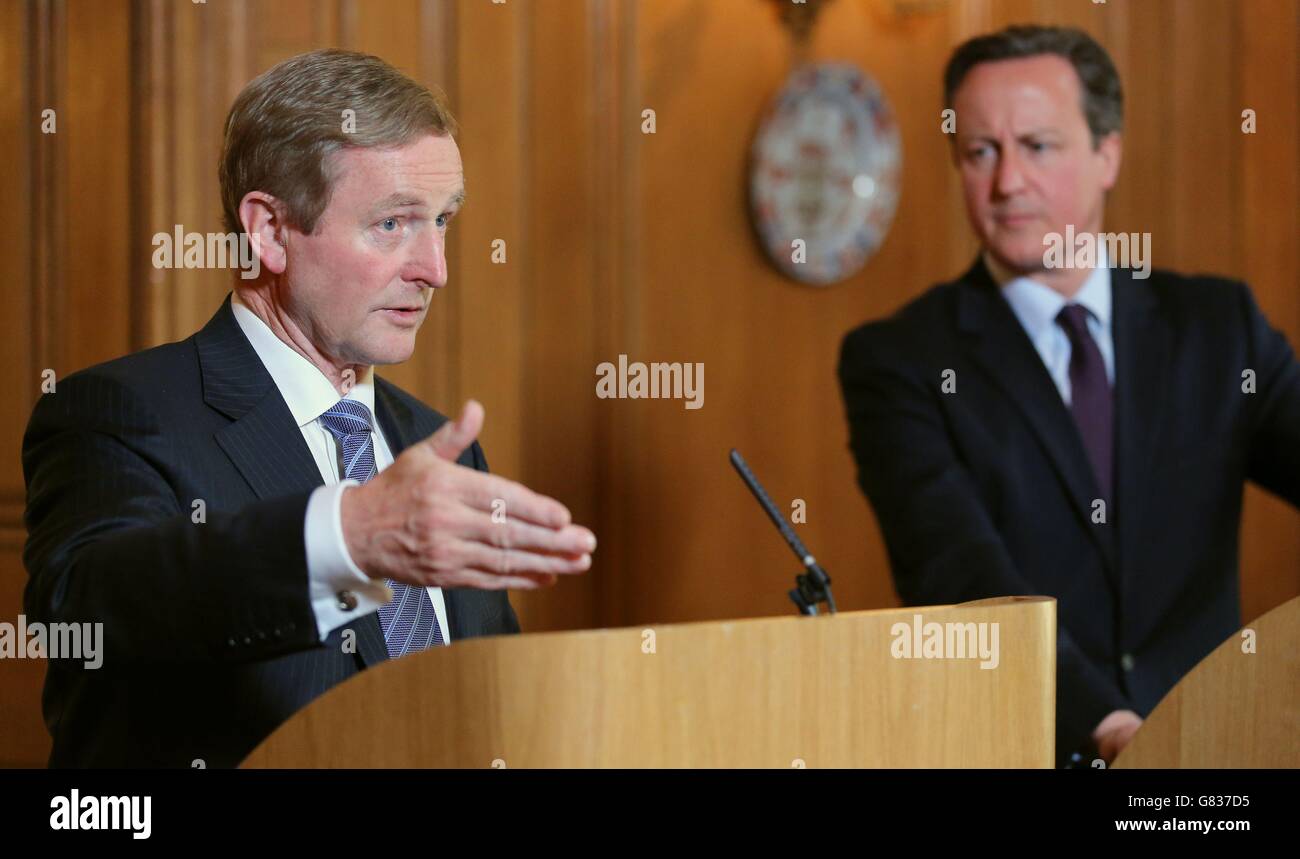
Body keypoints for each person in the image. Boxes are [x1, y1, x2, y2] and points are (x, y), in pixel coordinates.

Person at [22, 49, 596, 767]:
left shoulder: (434, 444)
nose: (435, 269)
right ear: (267, 231)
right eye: (393, 223)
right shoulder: (118, 414)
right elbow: (93, 610)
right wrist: (347, 538)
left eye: (443, 220)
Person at [837, 25, 1300, 767]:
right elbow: (961, 572)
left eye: (1038, 146)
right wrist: (1111, 726)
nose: (1007, 181)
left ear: (1107, 153)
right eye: (981, 151)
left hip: (1211, 764)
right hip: (1025, 750)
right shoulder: (900, 361)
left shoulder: (1220, 328)